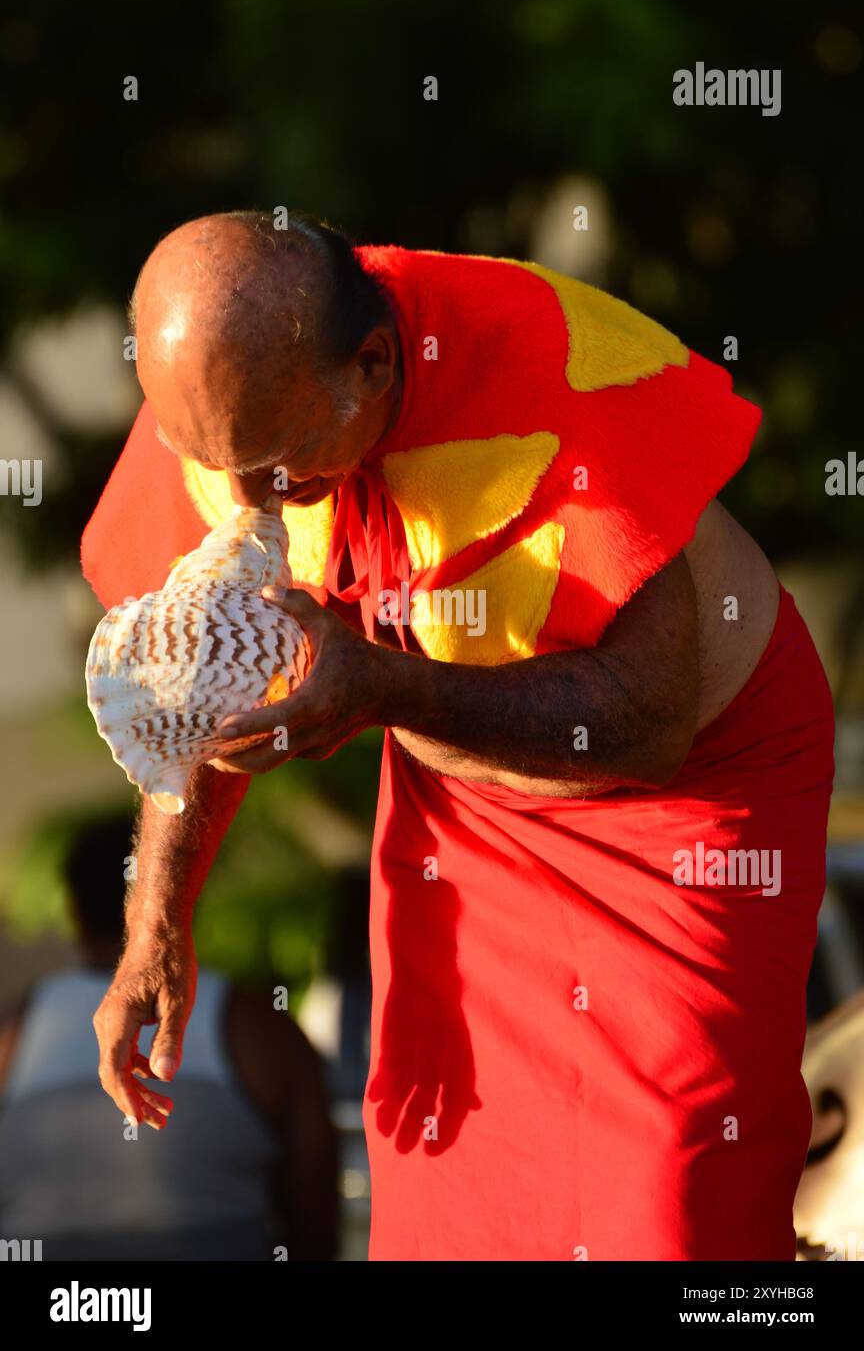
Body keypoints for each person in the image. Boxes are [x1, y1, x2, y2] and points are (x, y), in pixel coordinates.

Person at [80, 211, 835, 1260]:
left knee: (671, 1205)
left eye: (275, 467)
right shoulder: (229, 408)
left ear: (374, 367)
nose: (245, 505)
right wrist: (154, 924)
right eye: (215, 463)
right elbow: (200, 686)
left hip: (684, 801)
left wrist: (382, 686)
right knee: (453, 1202)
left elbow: (646, 722)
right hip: (468, 810)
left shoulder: (550, 372)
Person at [0, 813, 339, 1260]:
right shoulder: (257, 1025)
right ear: (188, 893)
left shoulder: (16, 1029)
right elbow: (315, 1207)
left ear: (74, 911)